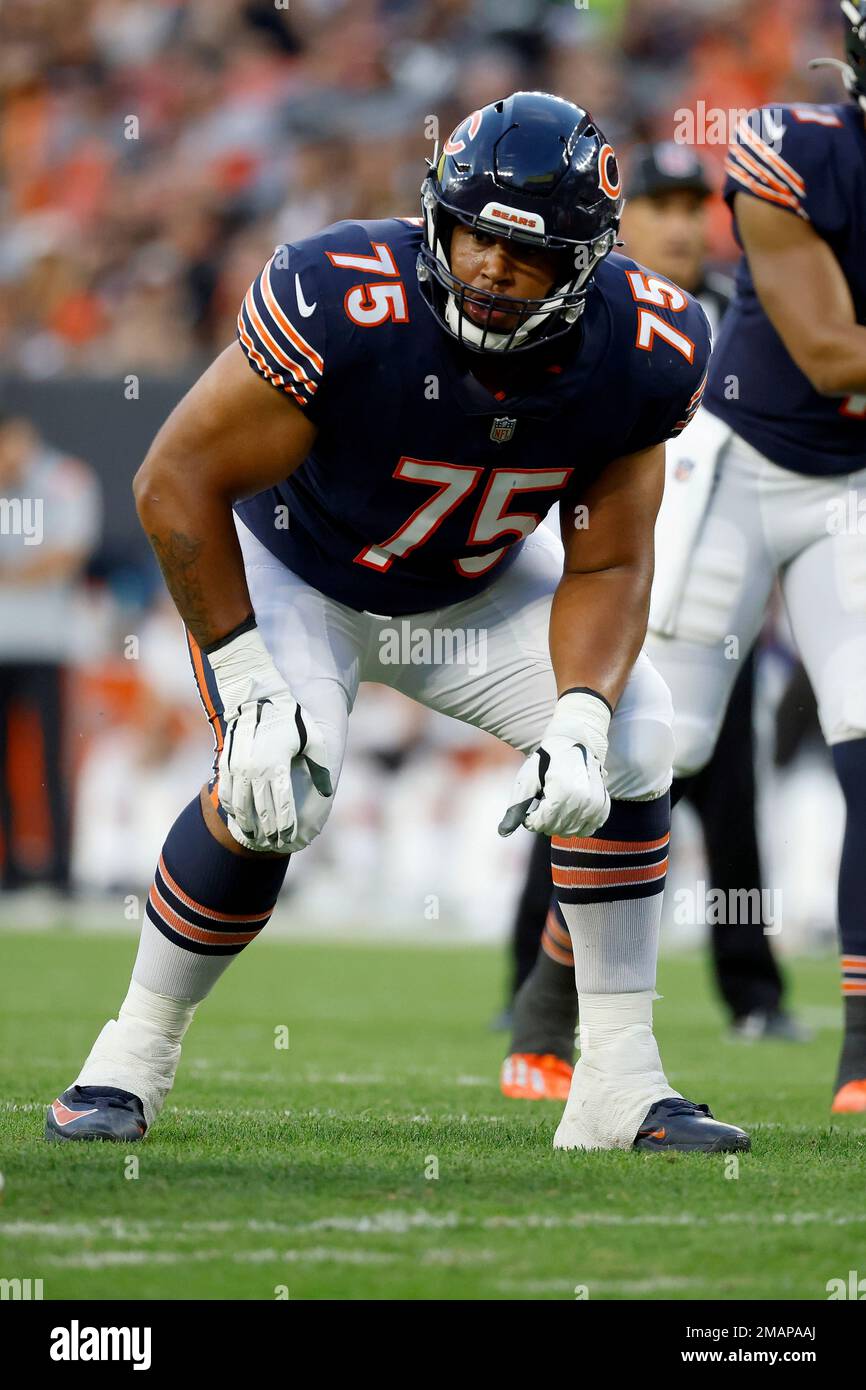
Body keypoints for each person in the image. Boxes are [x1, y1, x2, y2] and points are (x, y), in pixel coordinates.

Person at [45, 92, 747, 1154]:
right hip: (300, 573)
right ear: (438, 215)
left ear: (589, 261)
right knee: (279, 783)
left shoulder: (643, 345)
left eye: (530, 255)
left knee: (635, 732)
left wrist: (579, 713)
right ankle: (128, 1056)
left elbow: (607, 554)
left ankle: (615, 1082)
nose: (489, 270)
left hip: (469, 591)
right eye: (475, 236)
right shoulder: (342, 296)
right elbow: (173, 478)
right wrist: (243, 681)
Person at [500, 144, 804, 1104]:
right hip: (605, 588)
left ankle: (750, 990)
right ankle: (535, 1002)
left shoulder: (747, 310)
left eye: (691, 205)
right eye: (660, 205)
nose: (679, 223)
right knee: (582, 789)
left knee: (726, 805)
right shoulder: (584, 310)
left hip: (716, 597)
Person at [648, 1, 866, 1114]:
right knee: (657, 748)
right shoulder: (796, 148)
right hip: (740, 464)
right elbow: (833, 354)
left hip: (850, 492)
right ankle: (558, 1022)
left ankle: (860, 1056)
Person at [0, 411, 101, 893]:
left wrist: (14, 574)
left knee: (52, 758)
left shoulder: (64, 479)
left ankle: (62, 867)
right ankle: (10, 869)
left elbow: (70, 552)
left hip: (46, 641)